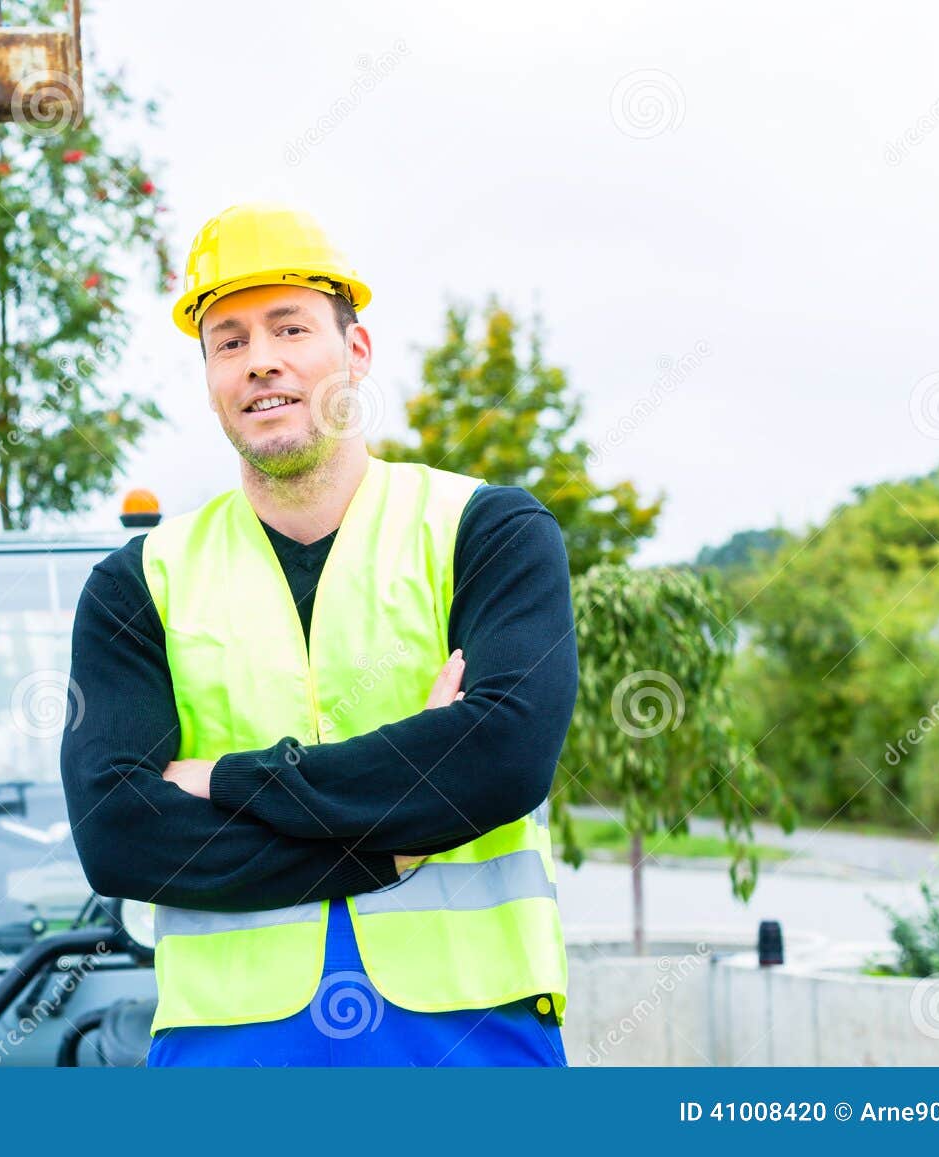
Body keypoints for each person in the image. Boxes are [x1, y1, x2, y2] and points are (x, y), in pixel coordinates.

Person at [60, 203, 578, 1066]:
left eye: (290, 327)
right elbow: (118, 834)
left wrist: (221, 778)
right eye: (229, 341)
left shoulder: (485, 531)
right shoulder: (138, 582)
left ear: (356, 351)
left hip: (470, 1037)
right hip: (230, 1053)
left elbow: (502, 759)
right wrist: (393, 842)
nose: (260, 359)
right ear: (210, 376)